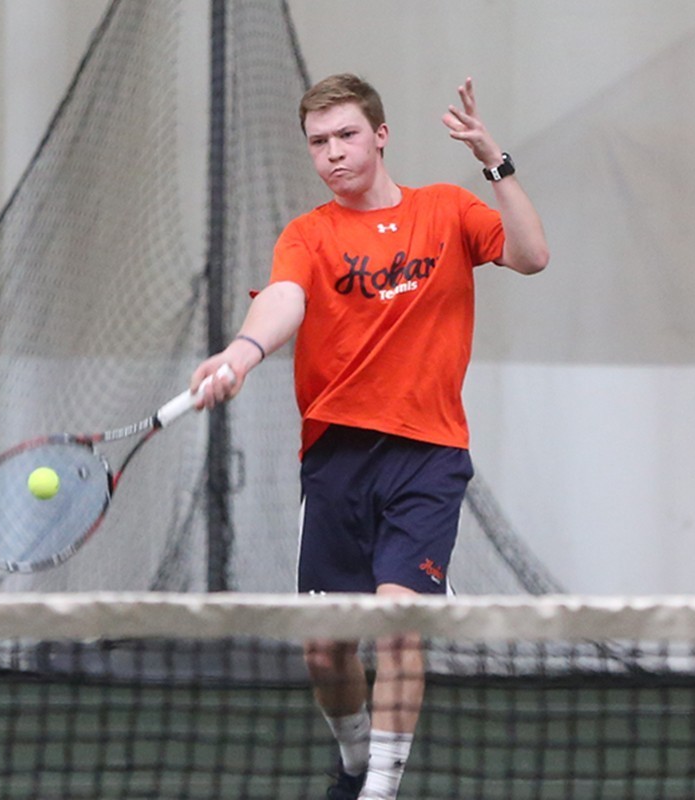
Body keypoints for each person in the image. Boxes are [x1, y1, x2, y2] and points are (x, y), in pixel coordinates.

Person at [190, 72, 548, 800]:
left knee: (399, 624)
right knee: (325, 649)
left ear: (380, 136)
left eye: (346, 136)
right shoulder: (309, 235)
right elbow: (285, 300)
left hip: (427, 458)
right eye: (319, 143)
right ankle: (355, 761)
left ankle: (379, 791)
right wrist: (241, 354)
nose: (334, 154)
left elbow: (530, 253)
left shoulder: (446, 210)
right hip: (337, 461)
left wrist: (494, 159)